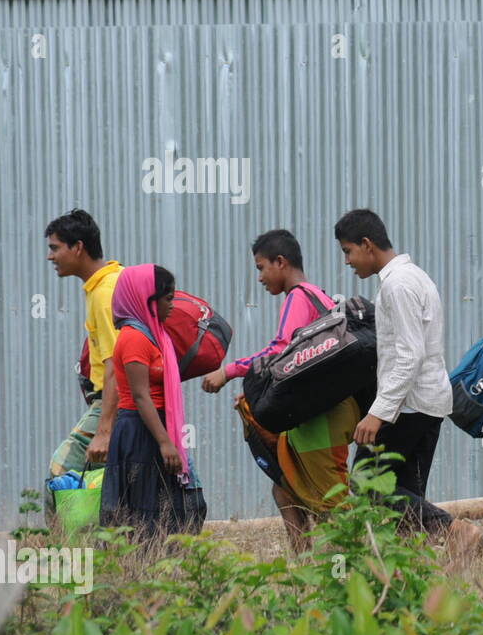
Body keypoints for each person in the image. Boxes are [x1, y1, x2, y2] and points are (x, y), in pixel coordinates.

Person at [201, 229, 358, 553]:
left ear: (281, 262)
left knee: (329, 501)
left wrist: (229, 371)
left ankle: (355, 575)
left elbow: (280, 352)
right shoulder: (318, 296)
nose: (259, 277)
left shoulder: (299, 297)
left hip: (322, 419)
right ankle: (304, 571)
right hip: (322, 413)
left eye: (261, 268)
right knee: (285, 489)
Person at [335, 209, 455, 537]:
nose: (347, 261)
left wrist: (378, 413)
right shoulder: (414, 276)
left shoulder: (398, 285)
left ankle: (456, 531)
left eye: (348, 251)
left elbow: (409, 356)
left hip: (408, 406)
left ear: (367, 244)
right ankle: (408, 573)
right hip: (427, 403)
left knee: (365, 483)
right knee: (408, 499)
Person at [99, 264, 207, 540]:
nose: (172, 305)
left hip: (152, 427)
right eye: (167, 298)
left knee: (161, 508)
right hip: (139, 431)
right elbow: (140, 395)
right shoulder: (135, 337)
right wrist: (163, 441)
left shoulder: (154, 335)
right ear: (146, 298)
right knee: (143, 512)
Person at [44, 210, 123, 495]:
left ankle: (64, 541)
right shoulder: (109, 281)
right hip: (125, 401)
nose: (50, 257)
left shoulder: (105, 292)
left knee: (61, 472)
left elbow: (119, 363)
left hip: (117, 401)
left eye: (55, 248)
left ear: (78, 247)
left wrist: (104, 431)